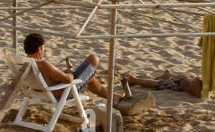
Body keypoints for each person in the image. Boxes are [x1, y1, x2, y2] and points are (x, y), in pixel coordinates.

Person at [22, 32, 152, 113]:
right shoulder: (42, 64)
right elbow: (68, 79)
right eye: (43, 48)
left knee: (90, 79)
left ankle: (113, 97)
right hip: (64, 93)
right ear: (39, 49)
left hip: (44, 92)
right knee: (93, 59)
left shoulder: (24, 63)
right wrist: (69, 72)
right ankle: (113, 97)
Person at [121, 68, 215, 99]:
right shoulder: (199, 82)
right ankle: (134, 80)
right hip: (178, 83)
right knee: (157, 85)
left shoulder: (213, 83)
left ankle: (168, 74)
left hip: (185, 80)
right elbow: (198, 96)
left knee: (163, 81)